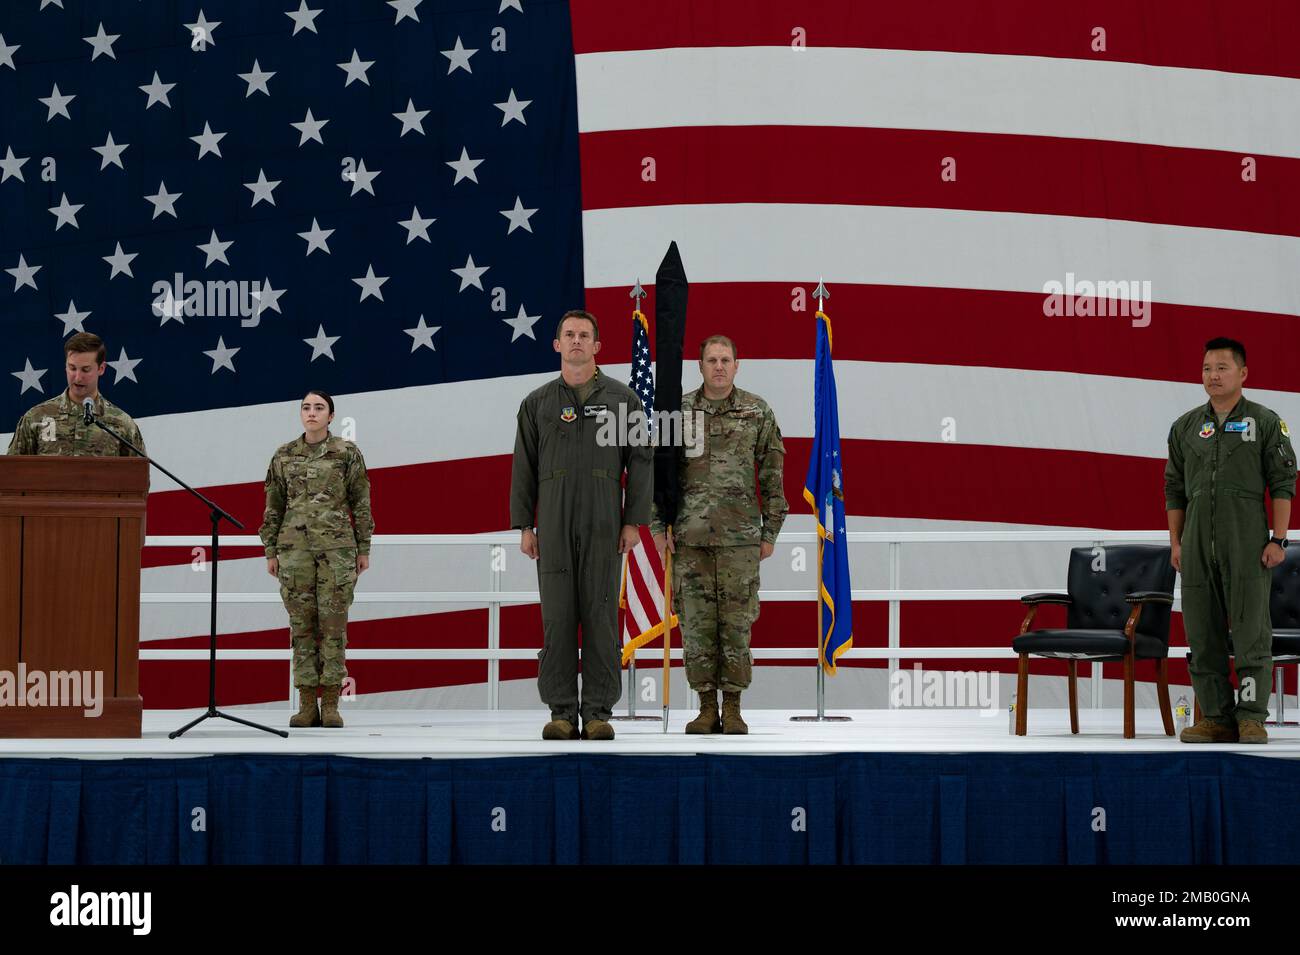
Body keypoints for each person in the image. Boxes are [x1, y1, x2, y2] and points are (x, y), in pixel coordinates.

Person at [510, 309, 653, 741]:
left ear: (597, 346)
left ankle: (597, 712)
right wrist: (524, 525)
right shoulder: (536, 403)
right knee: (557, 617)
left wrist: (633, 522)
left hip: (604, 523)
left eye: (584, 335)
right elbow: (524, 466)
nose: (575, 341)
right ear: (557, 345)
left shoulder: (622, 400)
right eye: (568, 334)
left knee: (601, 616)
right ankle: (560, 711)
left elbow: (641, 463)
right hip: (552, 523)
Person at [652, 335, 787, 734]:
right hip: (690, 540)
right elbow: (659, 475)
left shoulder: (757, 411)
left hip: (740, 540)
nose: (719, 367)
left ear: (737, 364)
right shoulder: (679, 412)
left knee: (736, 626)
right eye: (711, 360)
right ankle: (706, 707)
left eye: (725, 359)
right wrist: (659, 527)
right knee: (696, 627)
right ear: (699, 366)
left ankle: (733, 708)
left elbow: (773, 474)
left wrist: (771, 531)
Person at [1166, 337, 1295, 744]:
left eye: (1221, 368)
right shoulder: (1186, 427)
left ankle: (1251, 717)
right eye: (1206, 368)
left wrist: (1279, 539)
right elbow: (1174, 489)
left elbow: (1282, 482)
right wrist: (1177, 544)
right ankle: (1216, 717)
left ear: (1242, 373)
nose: (1212, 376)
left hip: (1247, 545)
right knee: (1202, 634)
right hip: (1197, 546)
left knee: (1250, 632)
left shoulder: (1265, 421)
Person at [260, 391, 373, 729]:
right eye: (306, 408)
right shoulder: (284, 455)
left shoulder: (346, 453)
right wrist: (270, 550)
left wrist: (363, 548)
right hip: (293, 552)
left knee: (334, 626)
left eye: (319, 408)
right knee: (302, 628)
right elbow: (273, 505)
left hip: (337, 552)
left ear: (331, 416)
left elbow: (361, 502)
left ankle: (332, 704)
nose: (311, 413)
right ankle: (307, 704)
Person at [7, 332, 146, 458]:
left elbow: (138, 479)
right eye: (72, 368)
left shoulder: (121, 424)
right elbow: (13, 474)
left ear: (101, 368)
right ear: (65, 366)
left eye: (85, 370)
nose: (78, 377)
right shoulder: (36, 417)